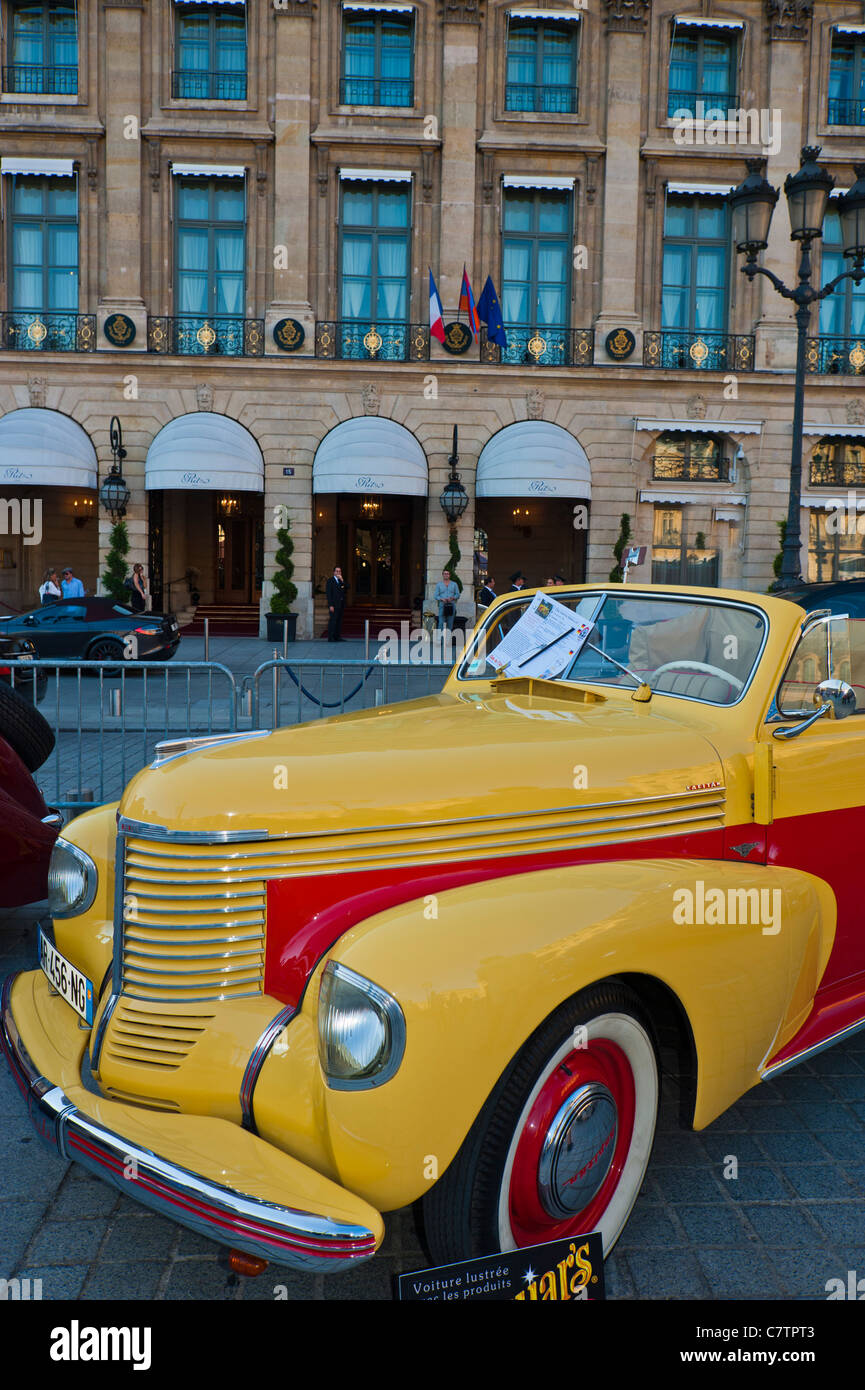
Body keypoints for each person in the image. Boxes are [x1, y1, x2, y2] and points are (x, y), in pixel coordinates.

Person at [326, 565, 346, 641]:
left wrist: (342, 580)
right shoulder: (330, 581)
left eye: (339, 571)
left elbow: (347, 587)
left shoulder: (341, 581)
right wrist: (330, 605)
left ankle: (337, 637)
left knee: (339, 621)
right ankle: (331, 637)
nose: (338, 572)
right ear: (334, 572)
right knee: (333, 621)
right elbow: (329, 594)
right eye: (337, 571)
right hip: (333, 605)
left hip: (341, 604)